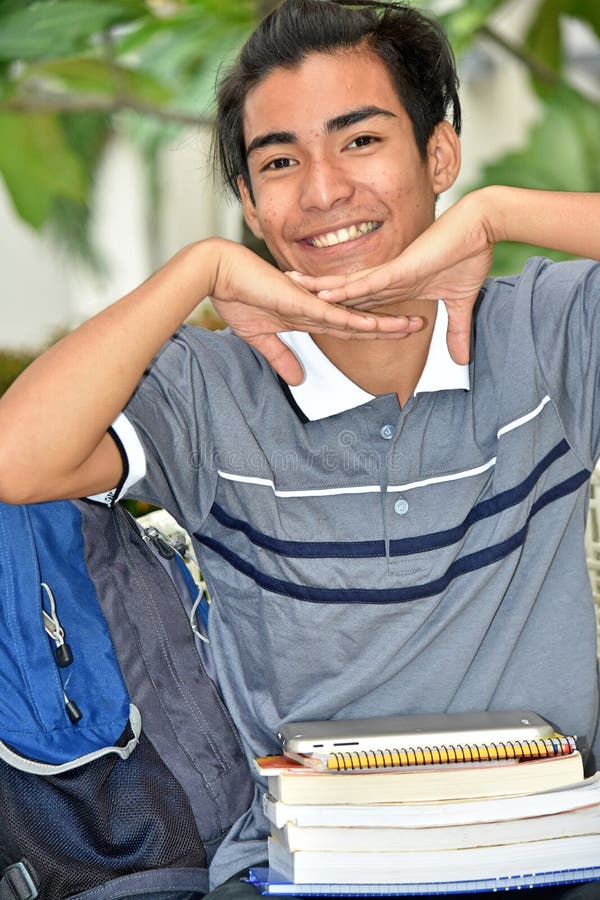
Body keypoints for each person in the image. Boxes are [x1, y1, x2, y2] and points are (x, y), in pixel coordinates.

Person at [1, 1, 600, 897]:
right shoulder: (210, 387)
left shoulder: (547, 335)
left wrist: (499, 213)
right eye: (279, 162)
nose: (322, 192)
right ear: (249, 202)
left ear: (439, 155)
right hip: (302, 872)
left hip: (553, 857)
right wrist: (195, 273)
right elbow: (16, 460)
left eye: (360, 141)